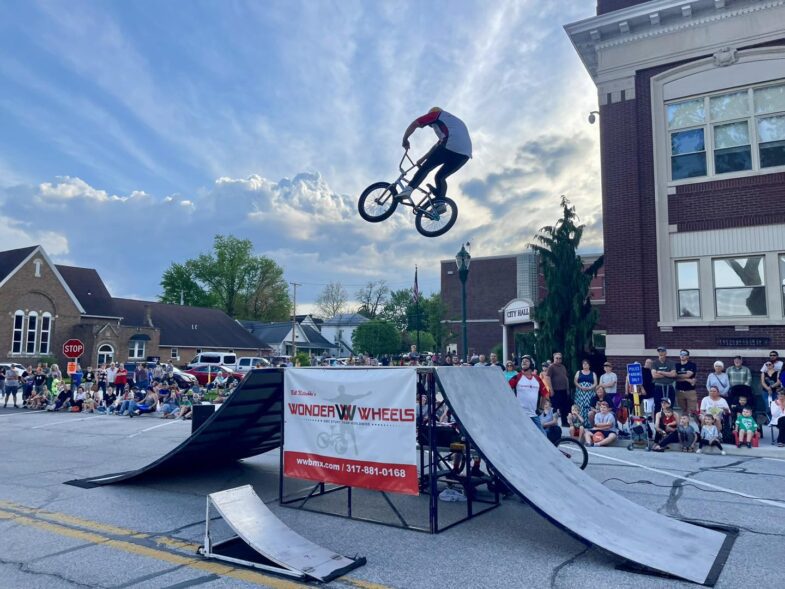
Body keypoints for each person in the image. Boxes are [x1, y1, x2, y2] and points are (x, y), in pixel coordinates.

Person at [398, 107, 472, 210]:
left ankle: (409, 189)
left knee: (425, 168)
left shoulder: (436, 114)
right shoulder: (451, 121)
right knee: (440, 177)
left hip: (451, 145)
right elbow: (437, 146)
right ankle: (440, 202)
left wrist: (405, 140)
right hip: (464, 155)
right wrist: (422, 159)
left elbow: (414, 124)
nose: (432, 127)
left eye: (431, 125)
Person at [509, 358, 547, 432]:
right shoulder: (517, 377)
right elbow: (505, 390)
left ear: (532, 364)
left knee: (543, 436)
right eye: (523, 361)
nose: (523, 362)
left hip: (533, 414)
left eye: (526, 361)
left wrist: (541, 408)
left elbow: (544, 394)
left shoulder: (537, 379)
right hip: (520, 414)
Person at [545, 352, 571, 426]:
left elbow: (566, 378)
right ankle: (553, 423)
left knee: (564, 407)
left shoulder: (563, 367)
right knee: (555, 408)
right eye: (557, 358)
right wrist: (551, 389)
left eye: (560, 358)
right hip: (555, 390)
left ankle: (564, 422)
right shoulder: (551, 367)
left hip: (563, 390)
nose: (558, 359)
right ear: (553, 358)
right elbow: (547, 378)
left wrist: (568, 389)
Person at [651, 347, 676, 413]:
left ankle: (669, 421)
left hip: (669, 386)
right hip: (658, 387)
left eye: (662, 351)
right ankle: (657, 422)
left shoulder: (671, 363)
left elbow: (673, 374)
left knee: (670, 405)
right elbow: (654, 375)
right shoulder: (654, 363)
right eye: (659, 351)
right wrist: (668, 374)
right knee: (658, 405)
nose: (661, 353)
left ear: (666, 353)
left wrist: (661, 372)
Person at [573, 359, 597, 425]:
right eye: (584, 364)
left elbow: (595, 383)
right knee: (579, 406)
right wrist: (580, 387)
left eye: (586, 364)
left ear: (589, 365)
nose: (585, 365)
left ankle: (588, 423)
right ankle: (579, 423)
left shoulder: (593, 373)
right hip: (580, 392)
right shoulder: (578, 372)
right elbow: (575, 381)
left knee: (588, 406)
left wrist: (589, 388)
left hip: (589, 393)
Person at [674, 350, 697, 415]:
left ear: (688, 356)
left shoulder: (692, 365)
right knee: (683, 411)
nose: (682, 355)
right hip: (679, 391)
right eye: (681, 354)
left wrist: (678, 376)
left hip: (690, 391)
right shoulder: (676, 365)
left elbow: (688, 375)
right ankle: (685, 424)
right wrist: (687, 380)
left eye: (684, 354)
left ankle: (695, 424)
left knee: (692, 412)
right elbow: (674, 377)